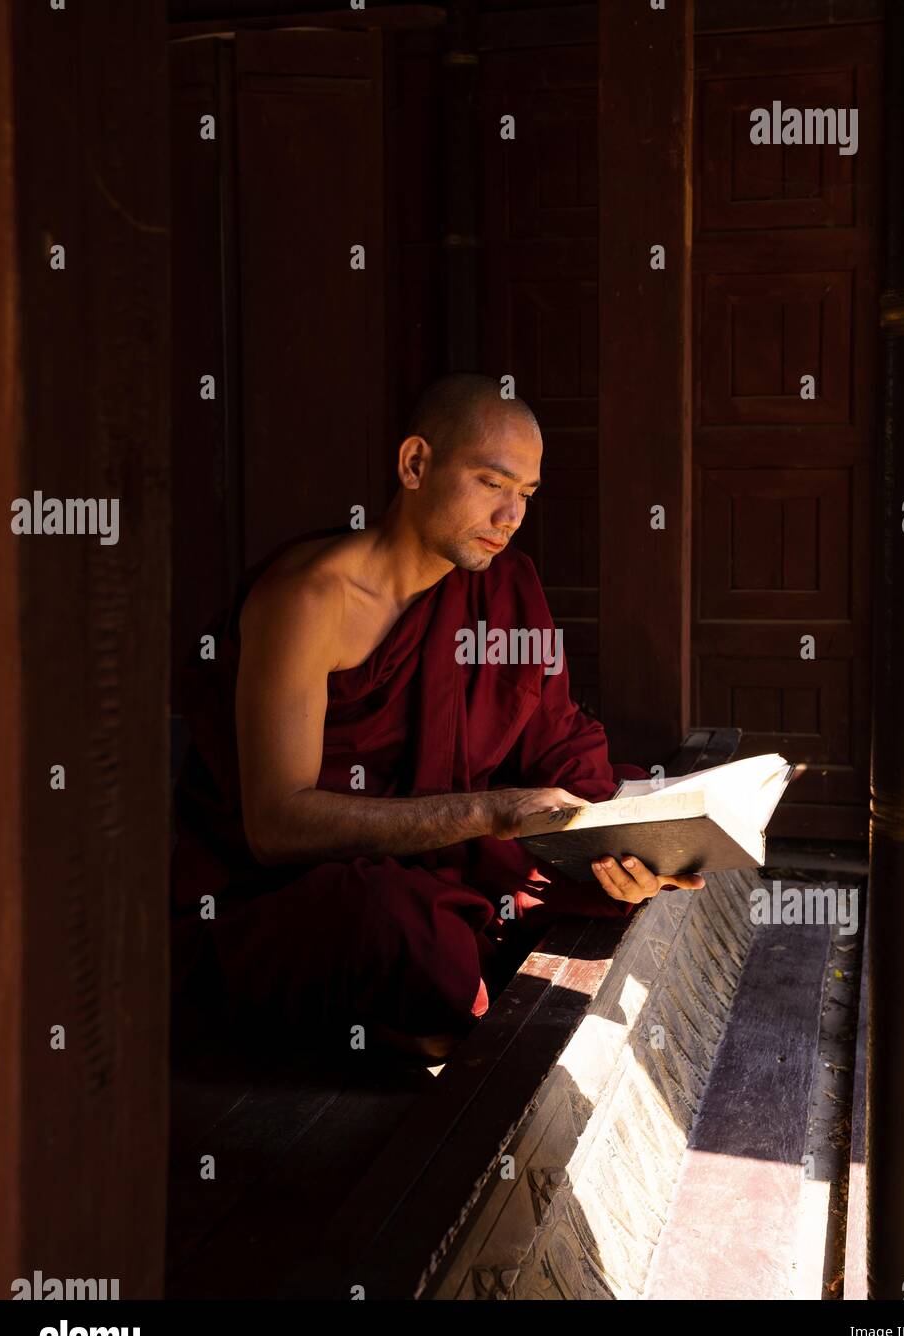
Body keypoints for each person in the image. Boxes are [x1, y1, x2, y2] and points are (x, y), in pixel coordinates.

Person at [170, 373, 704, 1064]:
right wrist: (494, 812)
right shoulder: (309, 600)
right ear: (415, 464)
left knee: (609, 849)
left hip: (439, 858)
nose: (511, 517)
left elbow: (560, 738)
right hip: (289, 886)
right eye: (492, 483)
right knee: (401, 932)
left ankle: (422, 1013)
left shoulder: (506, 587)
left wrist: (633, 844)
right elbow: (275, 828)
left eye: (526, 495)